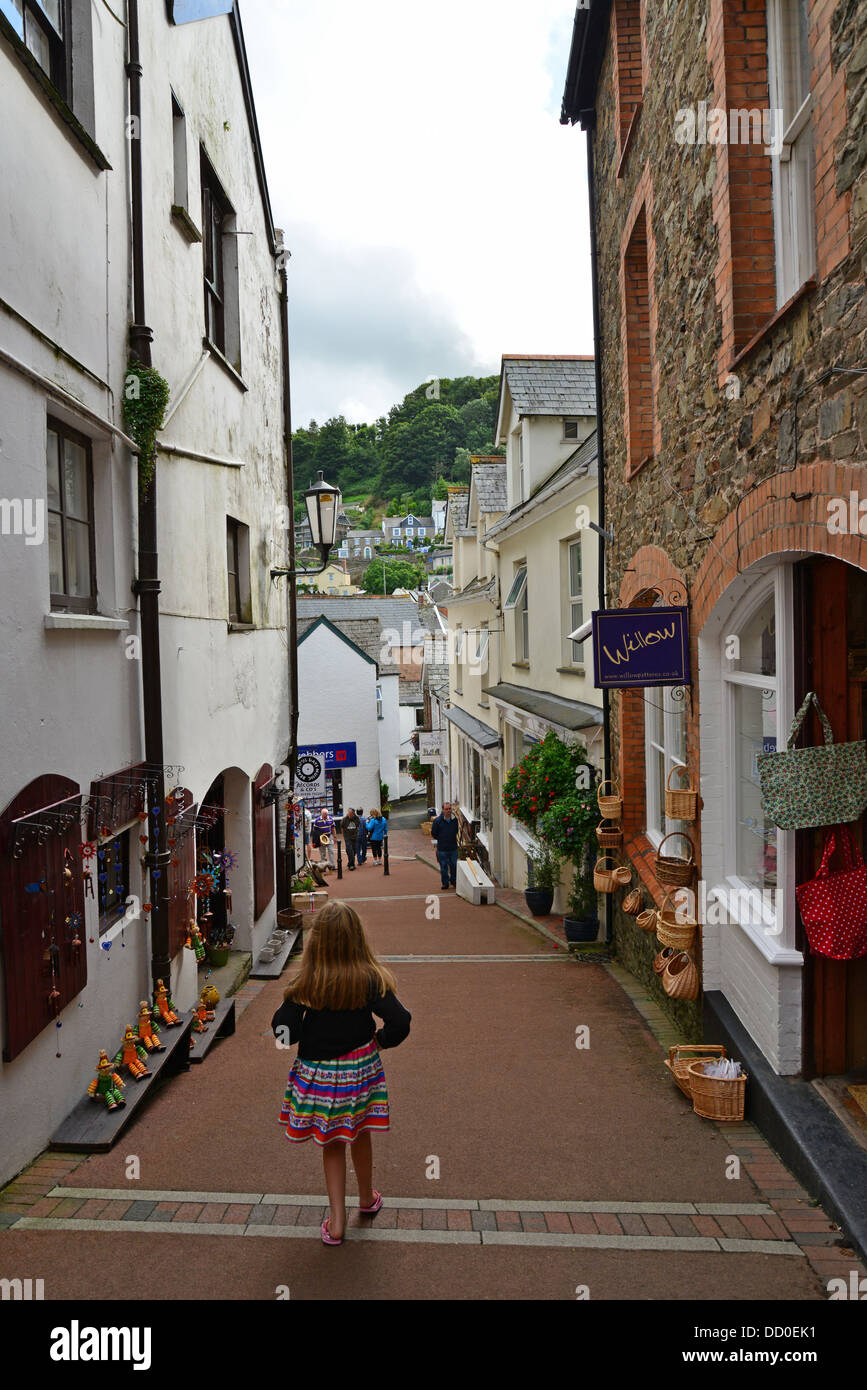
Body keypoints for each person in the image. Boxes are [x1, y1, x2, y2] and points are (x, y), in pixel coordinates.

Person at [271, 901, 411, 1245]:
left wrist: (304, 1035)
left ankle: (336, 1222)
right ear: (357, 939)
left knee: (332, 1143)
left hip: (319, 1074)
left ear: (318, 942)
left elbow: (281, 1028)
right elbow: (401, 1021)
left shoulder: (309, 982)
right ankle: (366, 1199)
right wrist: (380, 1041)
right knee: (360, 1132)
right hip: (360, 1071)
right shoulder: (368, 979)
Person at [430, 801, 460, 889]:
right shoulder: (437, 821)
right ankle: (445, 883)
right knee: (443, 867)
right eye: (446, 809)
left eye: (449, 809)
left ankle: (453, 881)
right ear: (443, 810)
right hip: (442, 848)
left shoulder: (455, 820)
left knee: (454, 866)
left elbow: (456, 831)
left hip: (453, 847)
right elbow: (434, 833)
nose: (448, 811)